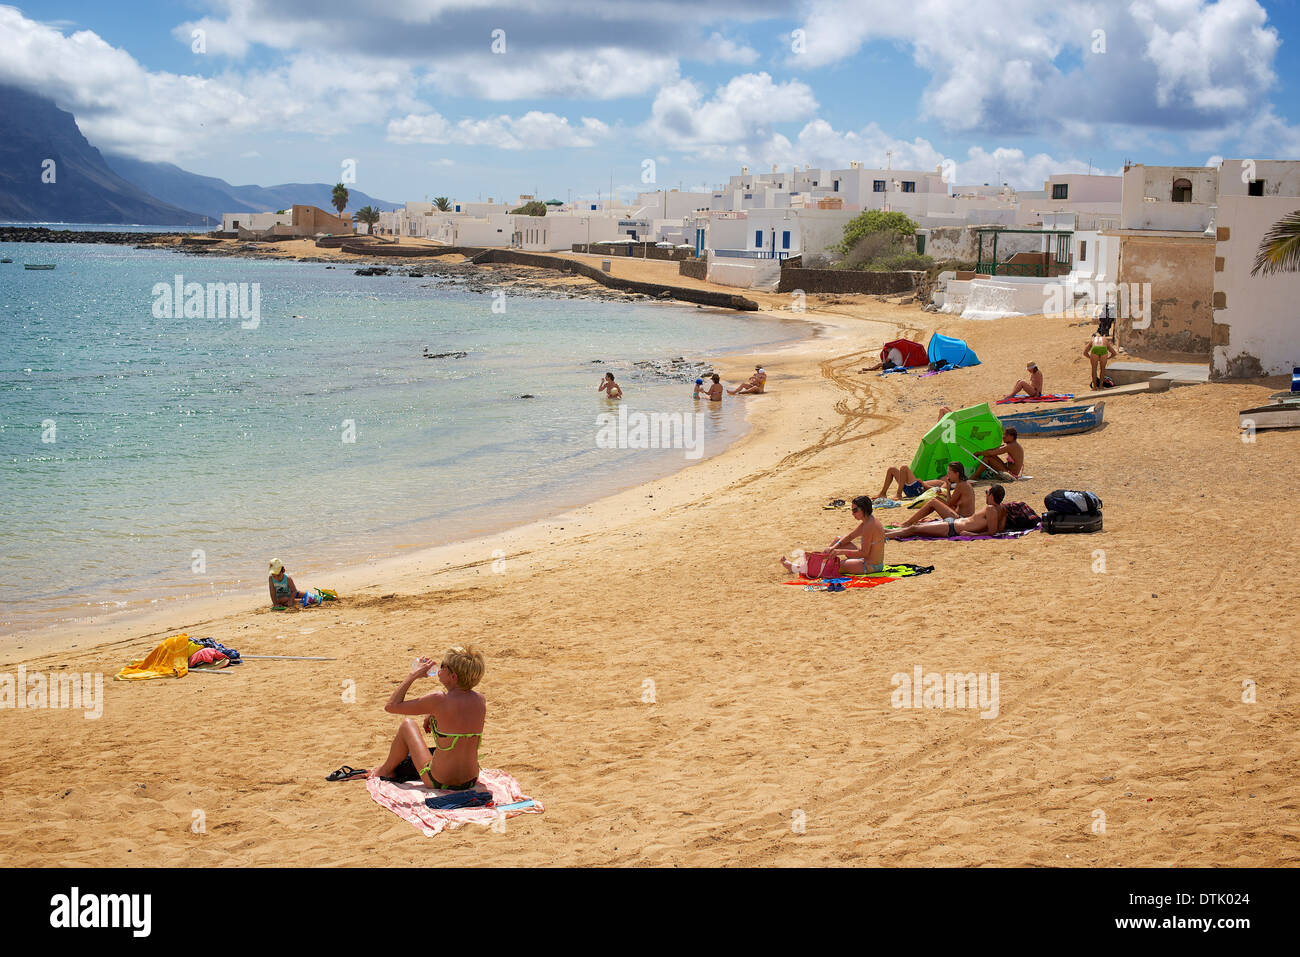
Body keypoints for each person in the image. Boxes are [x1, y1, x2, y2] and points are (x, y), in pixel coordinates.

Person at [367, 646, 487, 791]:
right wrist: (432, 713)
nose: (439, 669)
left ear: (453, 677)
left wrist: (413, 675)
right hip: (471, 780)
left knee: (407, 724)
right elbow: (458, 715)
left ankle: (385, 770)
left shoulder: (439, 700)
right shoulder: (480, 700)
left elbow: (391, 706)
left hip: (439, 780)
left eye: (443, 666)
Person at [781, 495, 884, 575]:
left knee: (832, 567)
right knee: (839, 539)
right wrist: (833, 547)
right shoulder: (868, 521)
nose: (852, 513)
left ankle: (797, 568)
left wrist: (839, 551)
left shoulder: (869, 526)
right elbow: (850, 537)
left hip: (871, 566)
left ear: (864, 509)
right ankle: (821, 559)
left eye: (855, 510)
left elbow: (864, 553)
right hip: (868, 561)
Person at [885, 485, 1007, 539]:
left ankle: (883, 535)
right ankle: (885, 532)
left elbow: (992, 532)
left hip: (953, 528)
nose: (985, 494)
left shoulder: (991, 509)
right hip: (954, 524)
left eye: (987, 492)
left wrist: (971, 534)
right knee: (916, 527)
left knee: (914, 529)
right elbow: (999, 530)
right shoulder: (1002, 509)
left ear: (991, 496)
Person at [894, 462, 976, 529]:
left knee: (933, 502)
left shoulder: (960, 485)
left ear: (957, 474)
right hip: (964, 518)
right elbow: (955, 502)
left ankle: (907, 523)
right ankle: (910, 522)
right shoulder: (965, 484)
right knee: (937, 499)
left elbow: (950, 503)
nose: (948, 476)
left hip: (961, 520)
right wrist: (943, 494)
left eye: (949, 473)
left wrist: (947, 488)